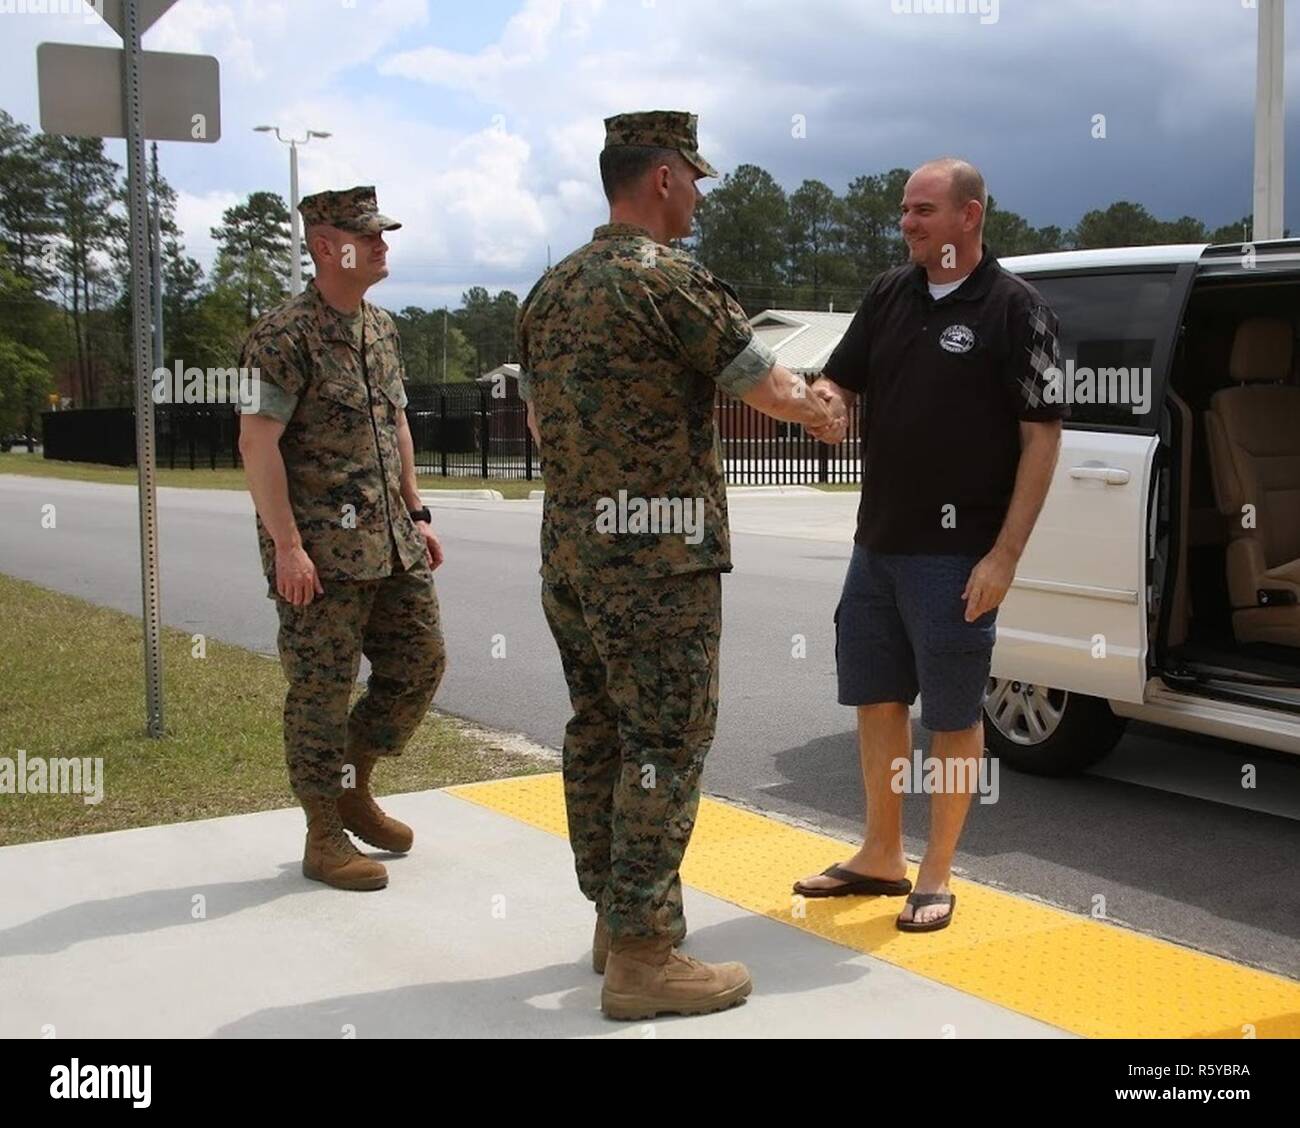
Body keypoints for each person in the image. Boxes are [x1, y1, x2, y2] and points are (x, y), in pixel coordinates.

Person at [516, 110, 843, 1020]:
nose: (698, 193)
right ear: (660, 177)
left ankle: (616, 917)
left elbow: (543, 426)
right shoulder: (671, 282)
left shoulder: (549, 291)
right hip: (656, 562)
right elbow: (765, 383)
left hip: (573, 553)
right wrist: (819, 410)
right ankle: (646, 956)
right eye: (693, 178)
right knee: (664, 741)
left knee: (599, 730)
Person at [795, 158, 1065, 932]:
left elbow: (1042, 439)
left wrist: (1005, 554)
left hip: (959, 556)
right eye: (905, 210)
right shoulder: (889, 293)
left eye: (922, 210)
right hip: (877, 543)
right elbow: (842, 379)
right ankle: (881, 854)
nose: (907, 222)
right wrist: (826, 400)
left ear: (969, 216)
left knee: (951, 714)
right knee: (877, 700)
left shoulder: (1017, 309)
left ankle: (937, 871)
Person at [237, 186, 446, 892]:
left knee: (421, 663)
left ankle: (353, 783)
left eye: (385, 232)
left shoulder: (382, 329)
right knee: (321, 690)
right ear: (327, 246)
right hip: (320, 556)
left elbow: (397, 426)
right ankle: (323, 833)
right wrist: (288, 545)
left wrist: (416, 513)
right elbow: (255, 444)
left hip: (391, 542)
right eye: (368, 235)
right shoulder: (280, 336)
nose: (383, 244)